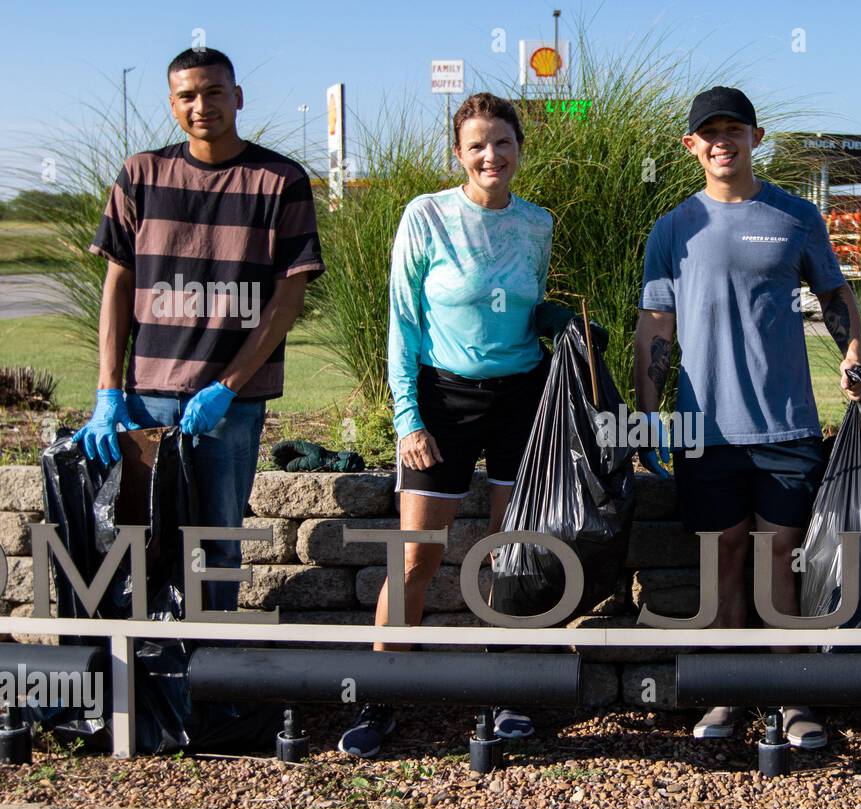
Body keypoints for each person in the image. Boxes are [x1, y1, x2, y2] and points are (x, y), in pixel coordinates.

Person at [635, 87, 861, 750]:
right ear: (691, 146)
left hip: (786, 427)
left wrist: (853, 352)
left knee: (778, 562)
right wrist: (645, 415)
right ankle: (723, 696)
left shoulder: (795, 215)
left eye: (733, 129)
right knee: (722, 563)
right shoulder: (674, 227)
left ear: (755, 137)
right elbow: (656, 324)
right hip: (704, 429)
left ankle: (792, 699)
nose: (721, 141)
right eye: (707, 132)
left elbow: (835, 293)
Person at [338, 92, 560, 758]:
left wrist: (555, 326)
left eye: (502, 142)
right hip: (442, 398)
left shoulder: (538, 223)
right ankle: (379, 698)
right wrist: (407, 416)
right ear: (457, 155)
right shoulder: (426, 215)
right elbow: (402, 323)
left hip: (521, 396)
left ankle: (506, 693)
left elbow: (530, 304)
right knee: (416, 556)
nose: (491, 155)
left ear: (519, 148)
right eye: (477, 146)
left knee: (512, 554)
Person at [78, 47, 324, 613]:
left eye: (214, 92)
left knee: (216, 546)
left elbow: (287, 300)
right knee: (136, 541)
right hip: (144, 399)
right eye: (187, 95)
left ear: (237, 97)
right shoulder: (141, 174)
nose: (201, 105)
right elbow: (117, 287)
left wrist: (229, 386)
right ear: (172, 105)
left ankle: (208, 680)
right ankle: (146, 682)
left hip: (229, 407)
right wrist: (107, 392)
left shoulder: (280, 181)